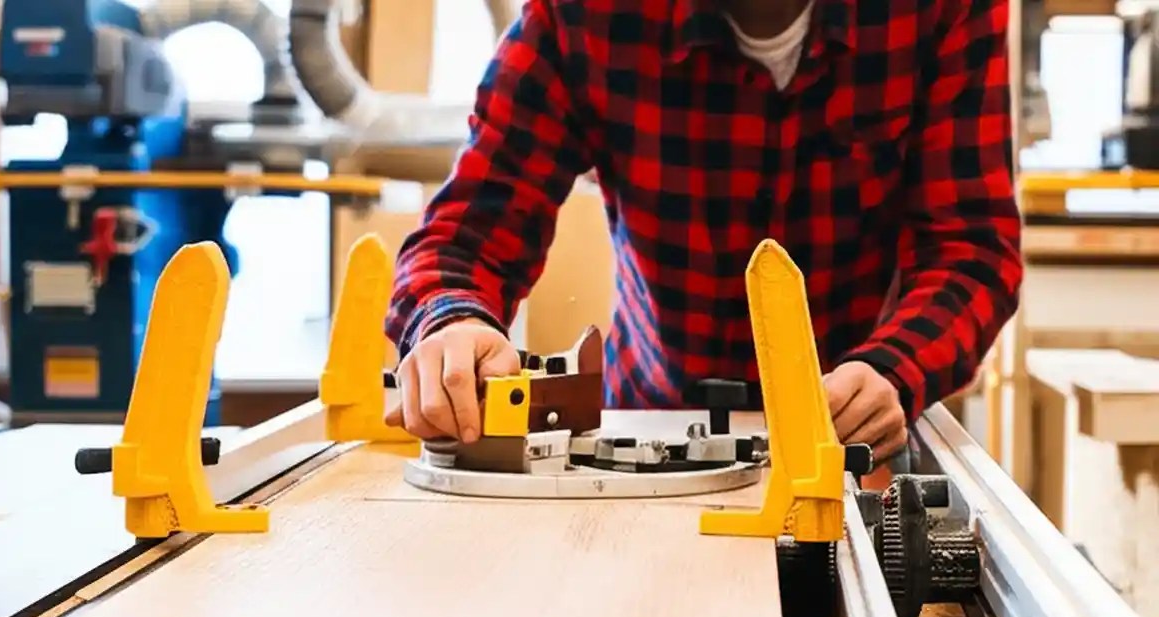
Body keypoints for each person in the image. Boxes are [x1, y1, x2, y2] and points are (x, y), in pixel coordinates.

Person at [383, 0, 1023, 463]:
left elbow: (971, 251)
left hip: (847, 446)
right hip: (640, 441)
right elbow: (466, 237)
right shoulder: (583, 16)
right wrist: (452, 322)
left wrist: (893, 369)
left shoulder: (941, 10)